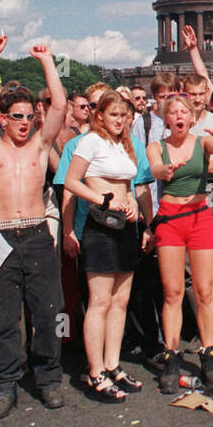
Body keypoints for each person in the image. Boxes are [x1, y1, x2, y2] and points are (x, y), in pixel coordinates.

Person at [0, 35, 69, 420]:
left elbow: (59, 105)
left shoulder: (40, 148)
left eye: (29, 117)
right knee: (3, 317)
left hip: (36, 234)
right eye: (17, 117)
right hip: (0, 237)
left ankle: (48, 379)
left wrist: (48, 60)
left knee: (47, 313)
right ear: (2, 119)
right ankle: (6, 384)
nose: (25, 123)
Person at [62, 93, 153, 402]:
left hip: (125, 227)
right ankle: (95, 370)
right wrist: (101, 200)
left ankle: (114, 365)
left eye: (123, 115)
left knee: (120, 301)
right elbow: (72, 181)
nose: (118, 119)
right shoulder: (90, 141)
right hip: (100, 228)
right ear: (99, 115)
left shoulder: (123, 143)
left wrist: (131, 205)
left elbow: (128, 184)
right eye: (112, 114)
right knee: (99, 301)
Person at [147, 96, 213, 391]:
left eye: (184, 112)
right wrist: (165, 171)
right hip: (170, 219)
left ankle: (209, 354)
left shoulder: (201, 143)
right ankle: (171, 356)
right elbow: (155, 169)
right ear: (166, 119)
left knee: (205, 291)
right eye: (173, 112)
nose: (179, 116)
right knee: (173, 292)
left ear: (192, 118)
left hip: (199, 216)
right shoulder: (156, 146)